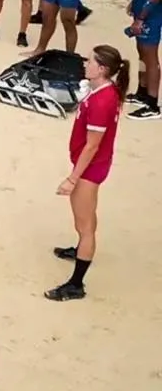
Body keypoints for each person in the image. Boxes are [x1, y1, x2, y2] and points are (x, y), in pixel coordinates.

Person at [46, 44, 129, 302]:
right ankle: (81, 248)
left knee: (84, 226)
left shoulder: (103, 101)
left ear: (102, 69)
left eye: (90, 61)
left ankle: (76, 284)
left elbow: (92, 145)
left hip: (90, 168)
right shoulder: (106, 91)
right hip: (94, 164)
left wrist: (73, 179)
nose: (85, 64)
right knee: (86, 216)